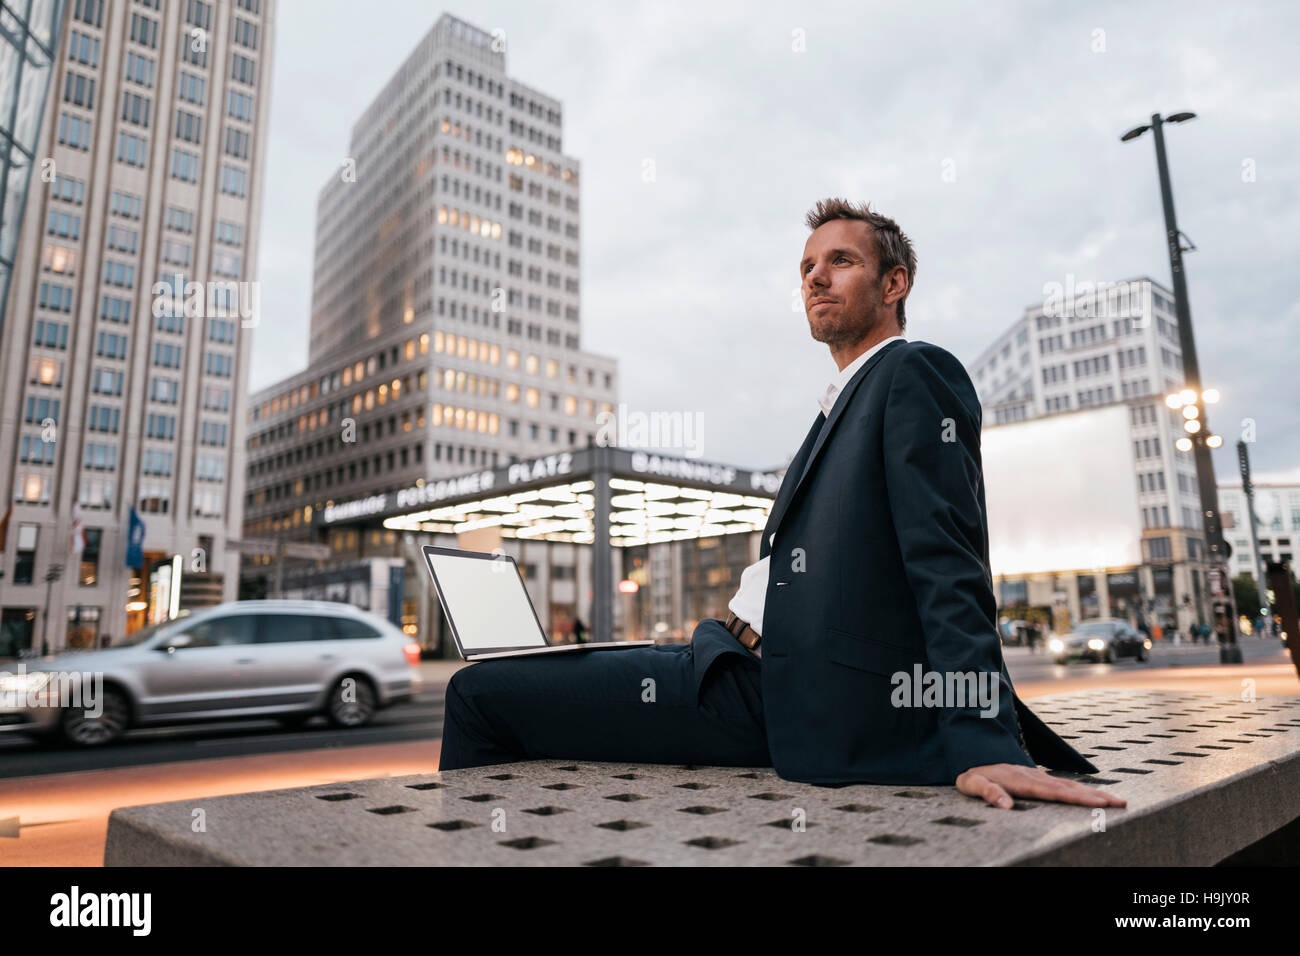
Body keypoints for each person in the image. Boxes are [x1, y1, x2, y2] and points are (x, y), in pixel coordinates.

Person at [439, 199, 1121, 814]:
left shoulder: (912, 372)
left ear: (894, 284)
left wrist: (979, 735)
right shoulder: (841, 404)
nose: (815, 278)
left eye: (840, 261)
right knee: (516, 682)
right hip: (721, 655)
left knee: (480, 694)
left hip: (776, 691)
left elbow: (948, 560)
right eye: (806, 267)